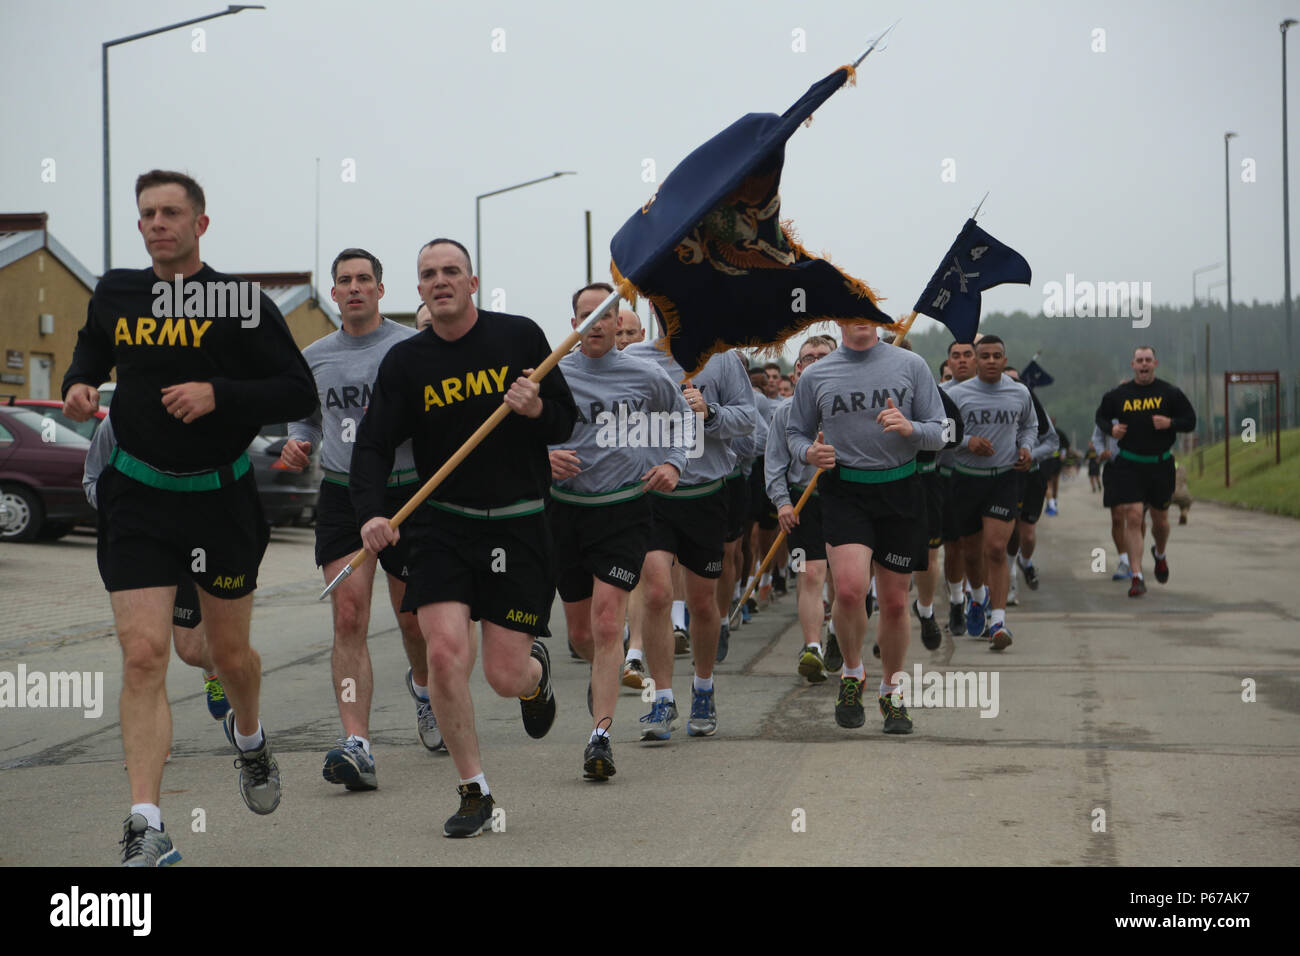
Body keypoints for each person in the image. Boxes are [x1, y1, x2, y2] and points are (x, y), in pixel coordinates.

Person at [62, 169, 318, 865]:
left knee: (224, 656)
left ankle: (252, 739)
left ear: (200, 224)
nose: (156, 223)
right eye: (147, 213)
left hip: (219, 500)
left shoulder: (239, 302)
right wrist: (79, 383)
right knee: (143, 654)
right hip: (137, 495)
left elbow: (297, 387)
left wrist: (219, 393)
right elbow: (91, 345)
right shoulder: (118, 291)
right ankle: (146, 822)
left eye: (171, 212)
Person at [352, 238, 577, 837]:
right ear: (419, 290)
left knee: (504, 676)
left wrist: (534, 409)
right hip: (442, 525)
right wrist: (373, 512)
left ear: (473, 283)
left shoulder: (520, 337)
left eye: (452, 271)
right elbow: (373, 444)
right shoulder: (405, 363)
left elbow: (566, 418)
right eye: (428, 274)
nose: (440, 281)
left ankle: (534, 676)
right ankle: (474, 789)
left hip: (520, 522)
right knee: (445, 654)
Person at [280, 248, 438, 793]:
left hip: (406, 497)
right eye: (343, 280)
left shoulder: (412, 347)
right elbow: (305, 419)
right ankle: (358, 744)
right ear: (334, 291)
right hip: (344, 495)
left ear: (380, 288)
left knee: (413, 620)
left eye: (363, 279)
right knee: (348, 616)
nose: (353, 288)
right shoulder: (315, 356)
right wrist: (299, 443)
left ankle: (424, 689)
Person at [548, 282, 690, 779]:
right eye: (585, 316)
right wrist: (543, 457)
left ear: (617, 323)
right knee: (584, 634)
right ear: (574, 325)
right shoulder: (552, 375)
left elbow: (682, 419)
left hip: (625, 510)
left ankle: (600, 738)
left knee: (609, 623)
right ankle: (598, 673)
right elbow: (512, 437)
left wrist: (673, 462)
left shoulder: (645, 374)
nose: (595, 324)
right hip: (566, 512)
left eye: (605, 316)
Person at [787, 320, 948, 734]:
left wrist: (912, 428)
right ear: (838, 320)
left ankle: (892, 691)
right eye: (849, 309)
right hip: (845, 491)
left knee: (895, 602)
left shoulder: (910, 365)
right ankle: (853, 674)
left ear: (877, 319)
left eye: (866, 310)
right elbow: (794, 431)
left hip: (900, 491)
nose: (858, 317)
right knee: (849, 589)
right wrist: (809, 451)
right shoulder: (819, 373)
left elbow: (942, 431)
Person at [624, 334, 756, 740]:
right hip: (654, 493)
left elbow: (749, 418)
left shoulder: (722, 357)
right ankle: (662, 699)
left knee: (702, 603)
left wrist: (710, 412)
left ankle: (703, 686)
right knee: (659, 592)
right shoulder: (634, 359)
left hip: (705, 493)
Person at [83, 416, 231, 729]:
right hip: (134, 547)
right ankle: (148, 739)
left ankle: (213, 669)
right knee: (144, 650)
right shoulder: (115, 424)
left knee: (190, 649)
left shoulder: (196, 416)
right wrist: (121, 505)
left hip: (187, 547)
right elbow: (91, 480)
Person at [945, 336, 1037, 650]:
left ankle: (998, 622)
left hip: (1003, 479)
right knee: (971, 554)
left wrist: (1026, 448)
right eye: (985, 356)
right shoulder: (957, 394)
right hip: (967, 479)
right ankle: (977, 600)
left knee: (996, 548)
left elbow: (1029, 426)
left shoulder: (1019, 392)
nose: (992, 361)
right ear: (975, 360)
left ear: (1004, 357)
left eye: (998, 355)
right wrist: (967, 441)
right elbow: (940, 432)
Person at [1093, 346, 1196, 596]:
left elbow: (1190, 421)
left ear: (1155, 363)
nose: (1144, 364)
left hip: (1160, 464)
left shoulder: (1169, 393)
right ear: (1133, 365)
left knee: (1160, 521)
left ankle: (1159, 554)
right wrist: (1111, 430)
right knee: (1134, 515)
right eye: (1139, 360)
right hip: (1130, 464)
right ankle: (1136, 576)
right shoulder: (1119, 395)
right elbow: (1100, 417)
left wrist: (1170, 423)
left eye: (1148, 360)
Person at [766, 334, 835, 681]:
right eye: (808, 357)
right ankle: (813, 648)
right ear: (796, 372)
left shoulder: (848, 406)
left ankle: (838, 632)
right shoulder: (784, 413)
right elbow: (774, 464)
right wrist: (781, 503)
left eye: (824, 356)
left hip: (844, 499)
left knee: (846, 580)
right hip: (801, 505)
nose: (815, 362)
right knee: (809, 576)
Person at [939, 340, 976, 635]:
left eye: (967, 355)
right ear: (948, 362)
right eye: (956, 356)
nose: (961, 361)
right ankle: (955, 601)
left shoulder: (996, 389)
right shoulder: (940, 394)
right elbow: (937, 432)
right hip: (950, 476)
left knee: (988, 547)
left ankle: (982, 602)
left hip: (990, 478)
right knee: (955, 546)